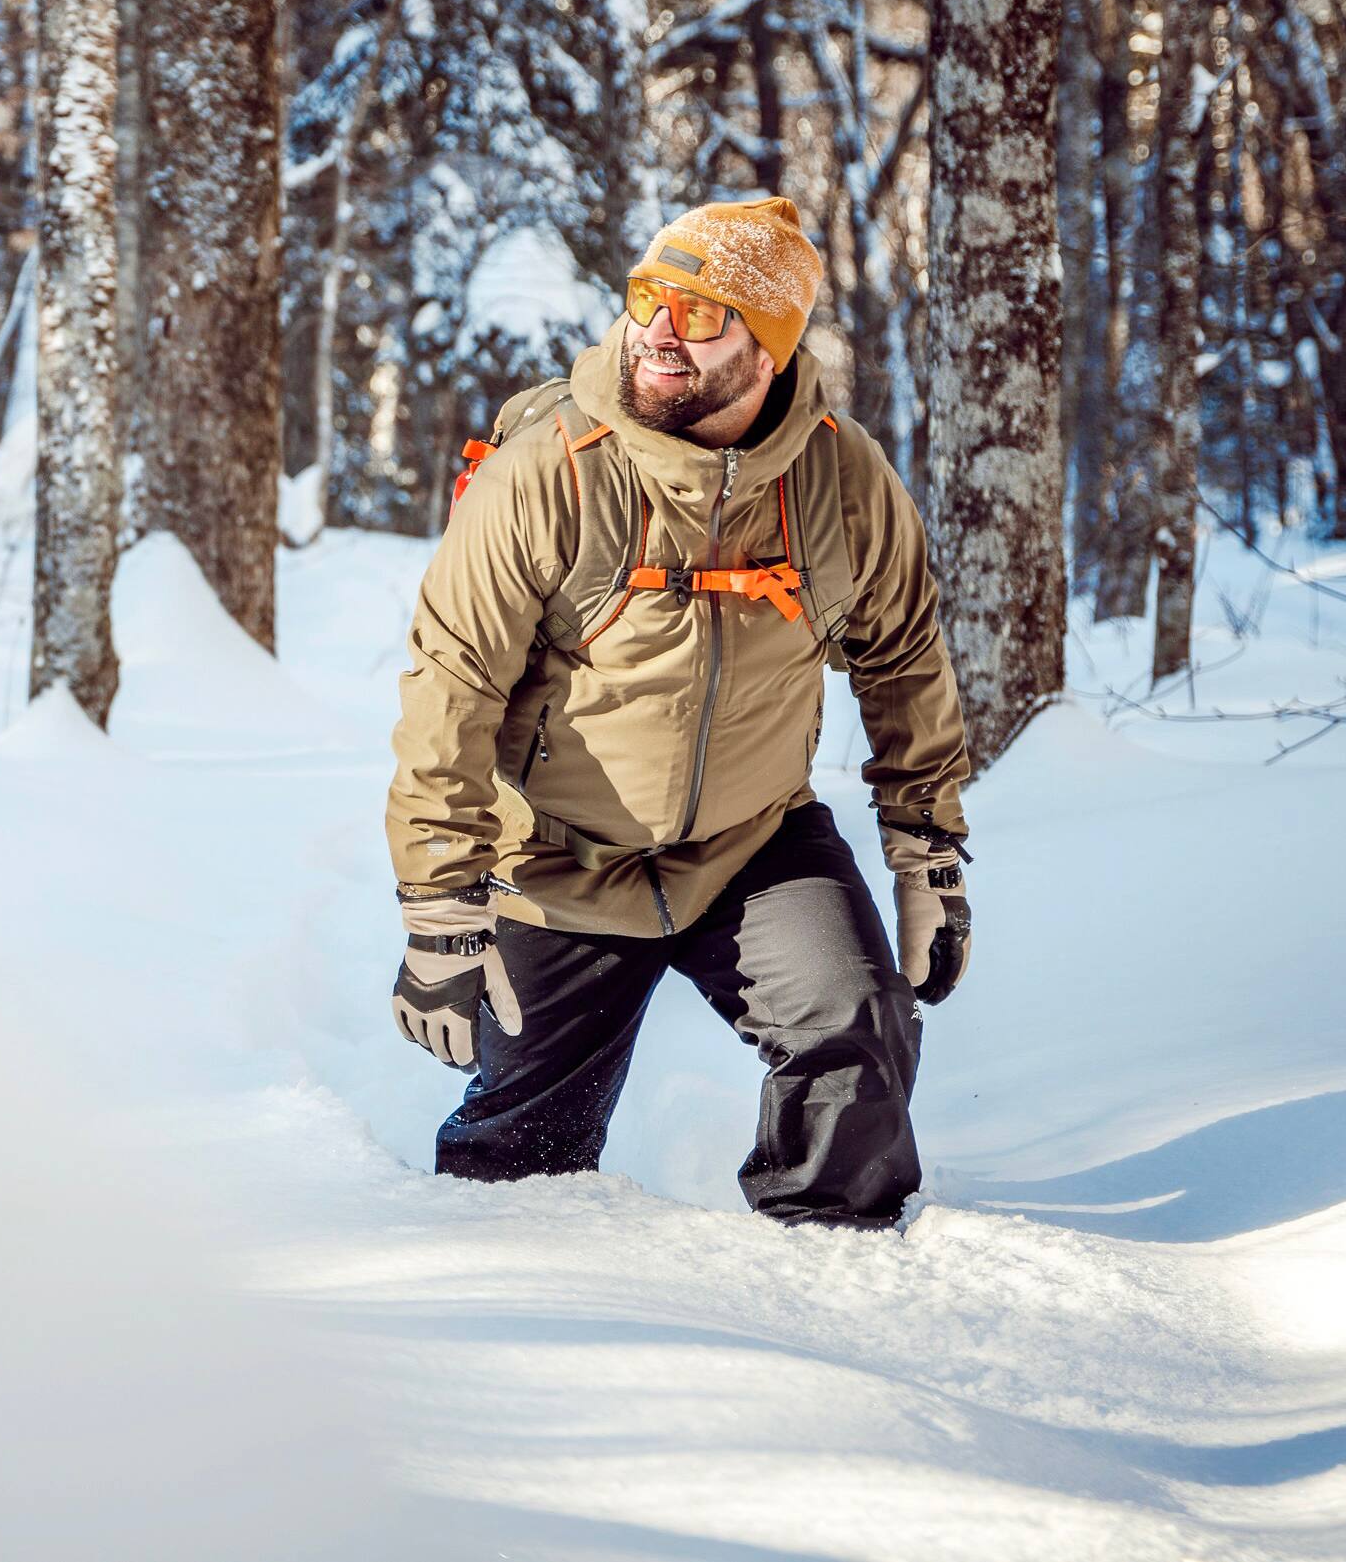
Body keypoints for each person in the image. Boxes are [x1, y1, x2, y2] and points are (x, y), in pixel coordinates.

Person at [385, 197, 973, 1229]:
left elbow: (905, 659)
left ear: (770, 346)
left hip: (751, 845)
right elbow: (452, 685)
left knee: (857, 1030)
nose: (658, 329)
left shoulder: (841, 482)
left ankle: (837, 1273)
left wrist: (926, 861)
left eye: (703, 314)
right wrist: (440, 905)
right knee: (517, 1168)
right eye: (650, 297)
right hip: (560, 858)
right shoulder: (549, 474)